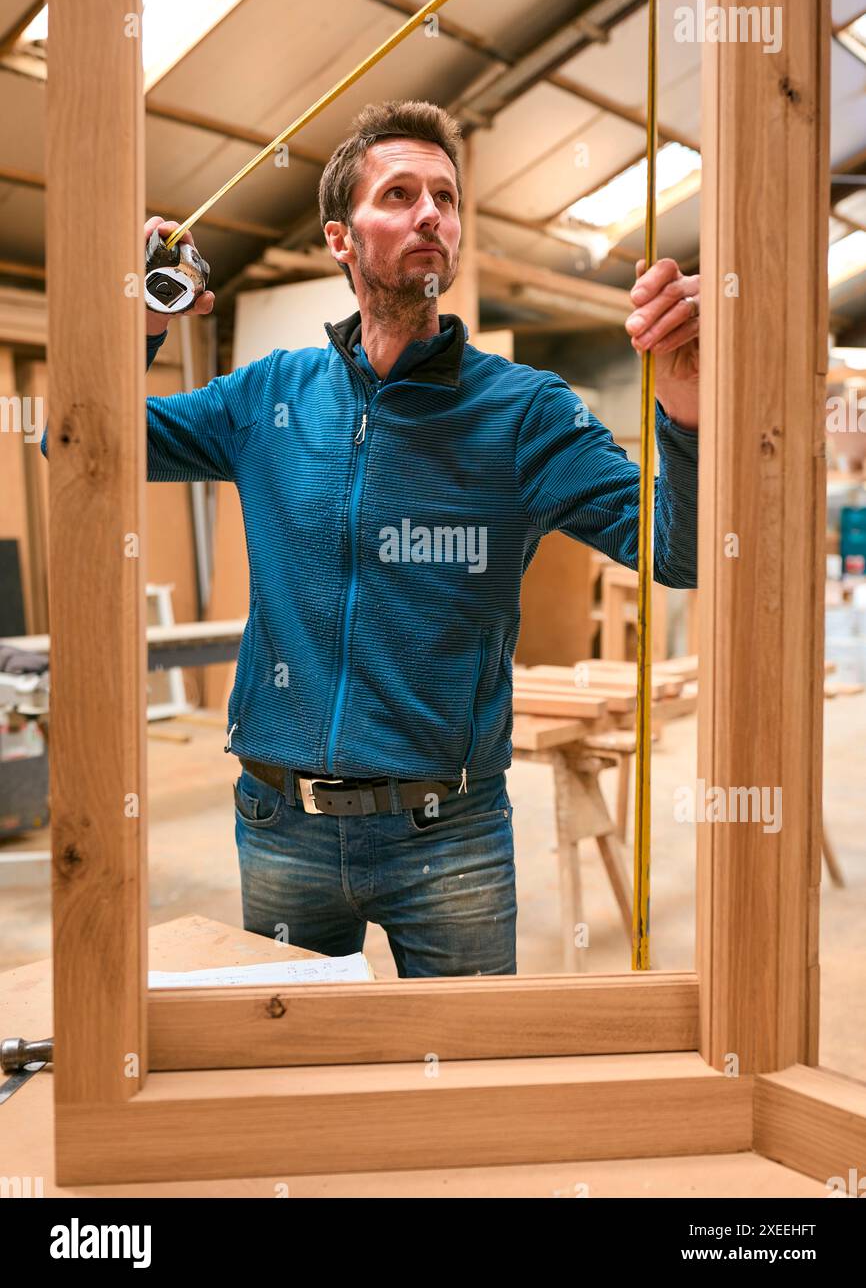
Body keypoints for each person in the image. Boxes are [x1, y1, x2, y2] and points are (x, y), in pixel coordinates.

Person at [43, 100, 700, 977]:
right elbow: (75, 445)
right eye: (399, 193)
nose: (431, 211)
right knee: (297, 1094)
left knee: (463, 1094)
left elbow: (679, 551)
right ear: (340, 240)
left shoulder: (525, 414)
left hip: (452, 835)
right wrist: (139, 320)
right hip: (281, 825)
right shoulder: (266, 398)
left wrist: (687, 414)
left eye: (445, 195)